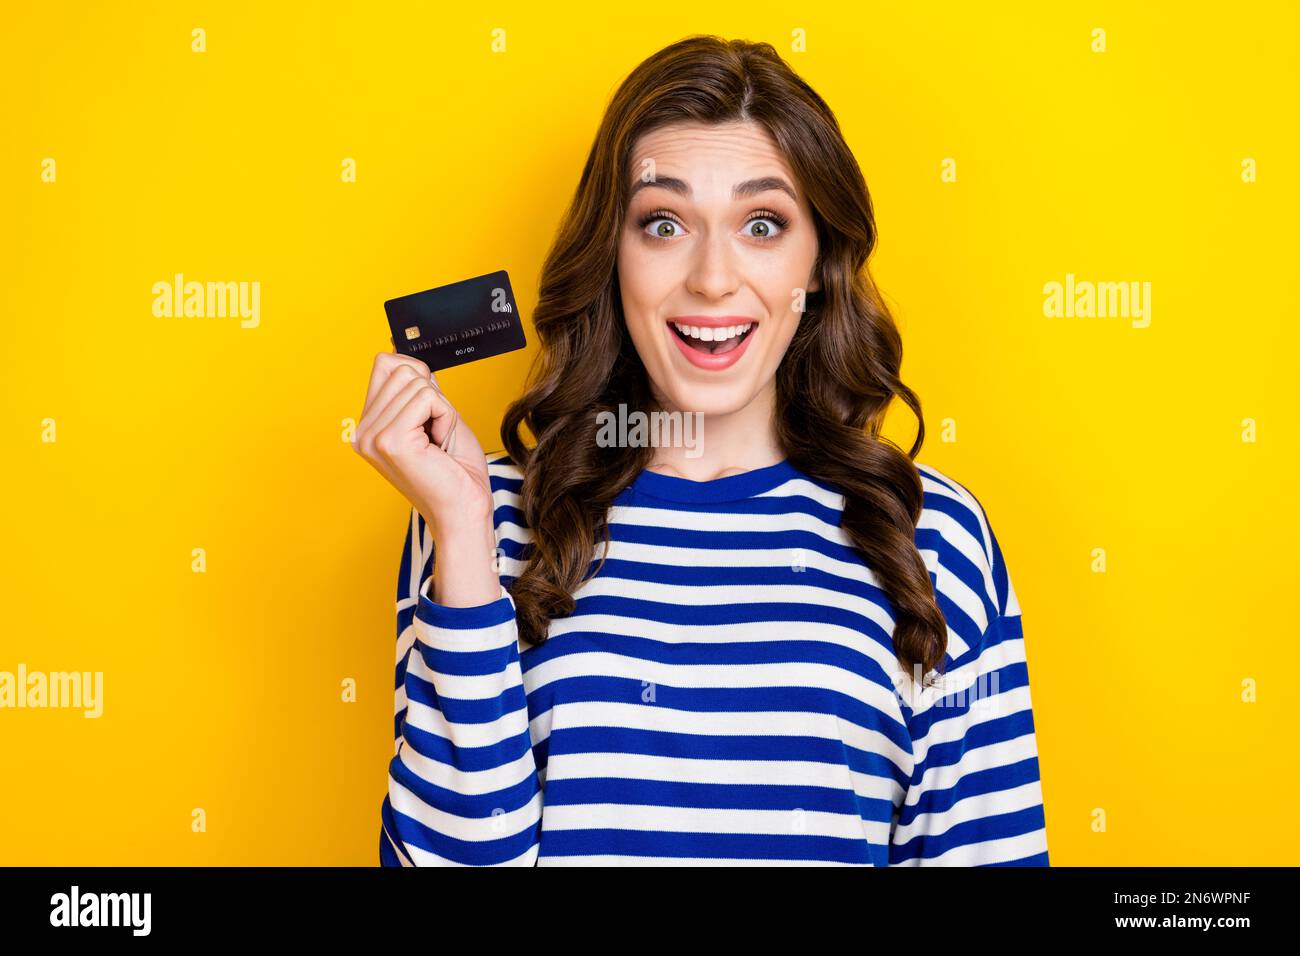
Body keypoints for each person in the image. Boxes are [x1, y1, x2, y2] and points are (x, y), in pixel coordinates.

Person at [354, 35, 1049, 866]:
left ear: (820, 262)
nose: (713, 279)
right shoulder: (479, 518)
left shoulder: (931, 535)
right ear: (612, 255)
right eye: (664, 223)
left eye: (762, 224)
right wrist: (462, 533)